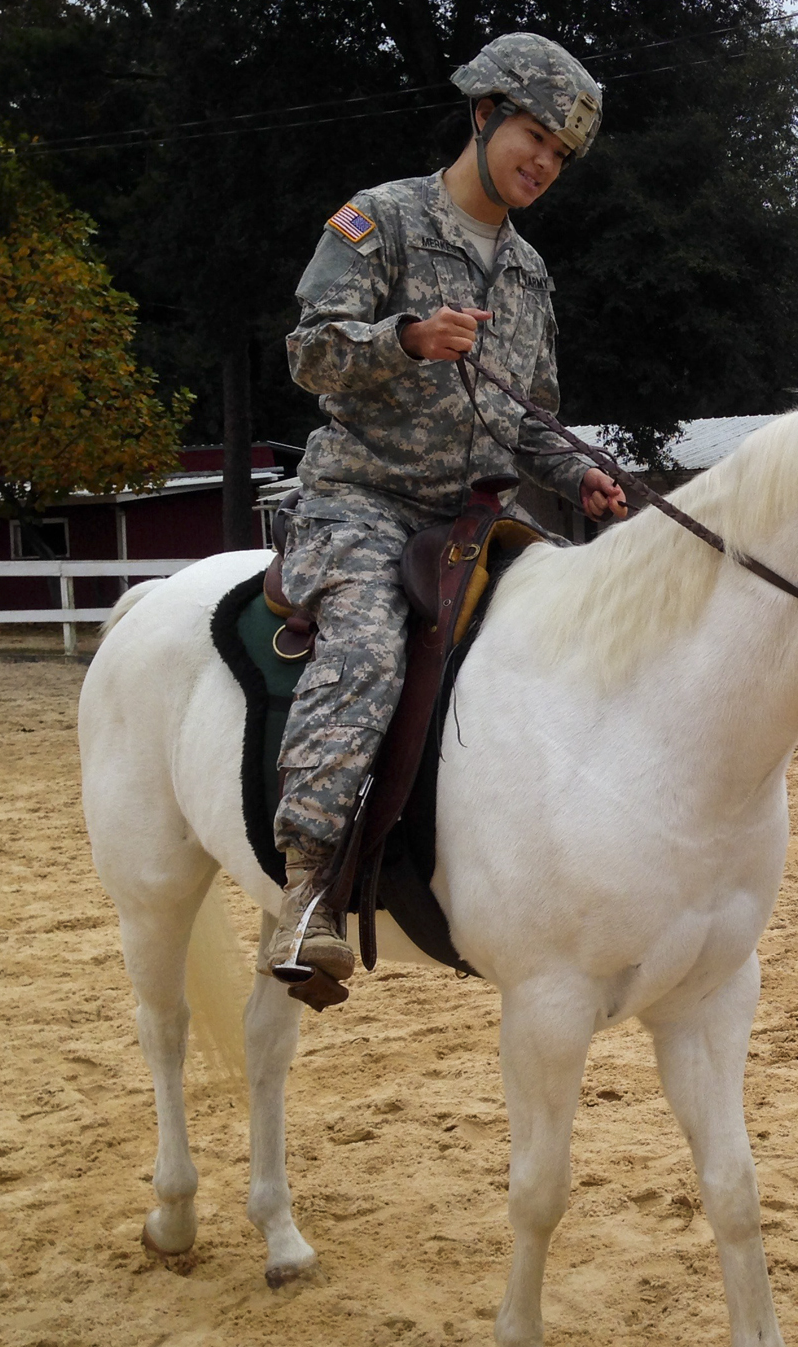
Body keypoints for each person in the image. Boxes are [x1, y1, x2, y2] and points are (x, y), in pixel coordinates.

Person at [268, 32, 628, 988]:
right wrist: (406, 339)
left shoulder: (529, 275)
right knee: (366, 648)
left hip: (476, 517)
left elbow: (529, 416)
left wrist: (580, 475)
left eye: (560, 155)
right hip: (364, 500)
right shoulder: (380, 220)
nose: (543, 163)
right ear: (483, 115)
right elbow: (308, 353)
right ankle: (308, 889)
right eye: (533, 137)